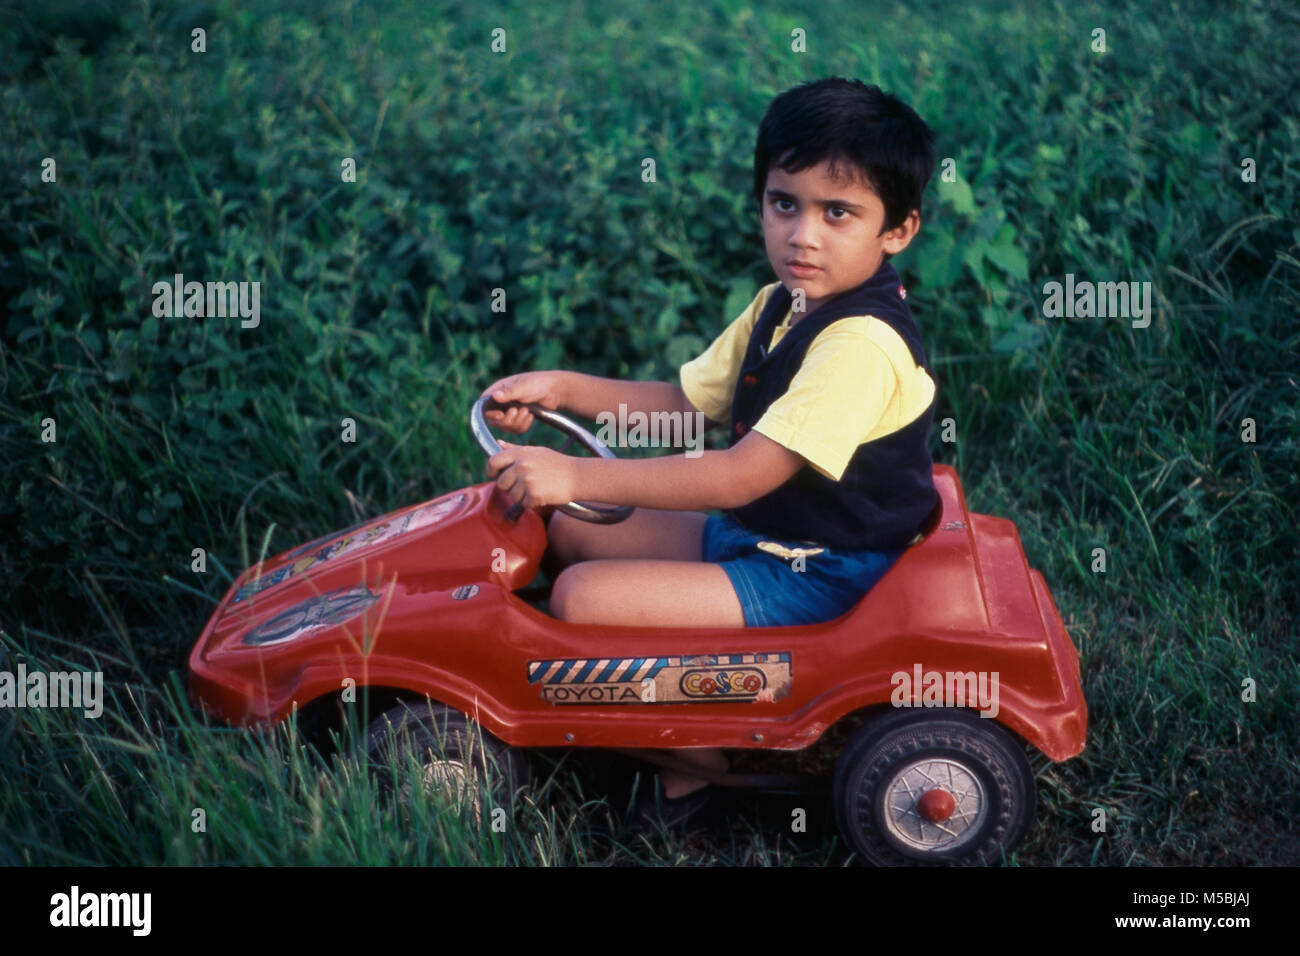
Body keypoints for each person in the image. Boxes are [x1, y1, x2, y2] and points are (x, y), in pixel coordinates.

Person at [483, 77, 940, 830]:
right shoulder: (780, 306)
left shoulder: (859, 343)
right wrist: (564, 389)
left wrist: (573, 471)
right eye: (784, 202)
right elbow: (687, 409)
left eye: (839, 213)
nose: (803, 235)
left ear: (898, 230)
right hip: (767, 533)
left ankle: (700, 768)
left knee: (580, 600)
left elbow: (738, 474)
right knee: (567, 526)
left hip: (818, 567)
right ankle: (662, 708)